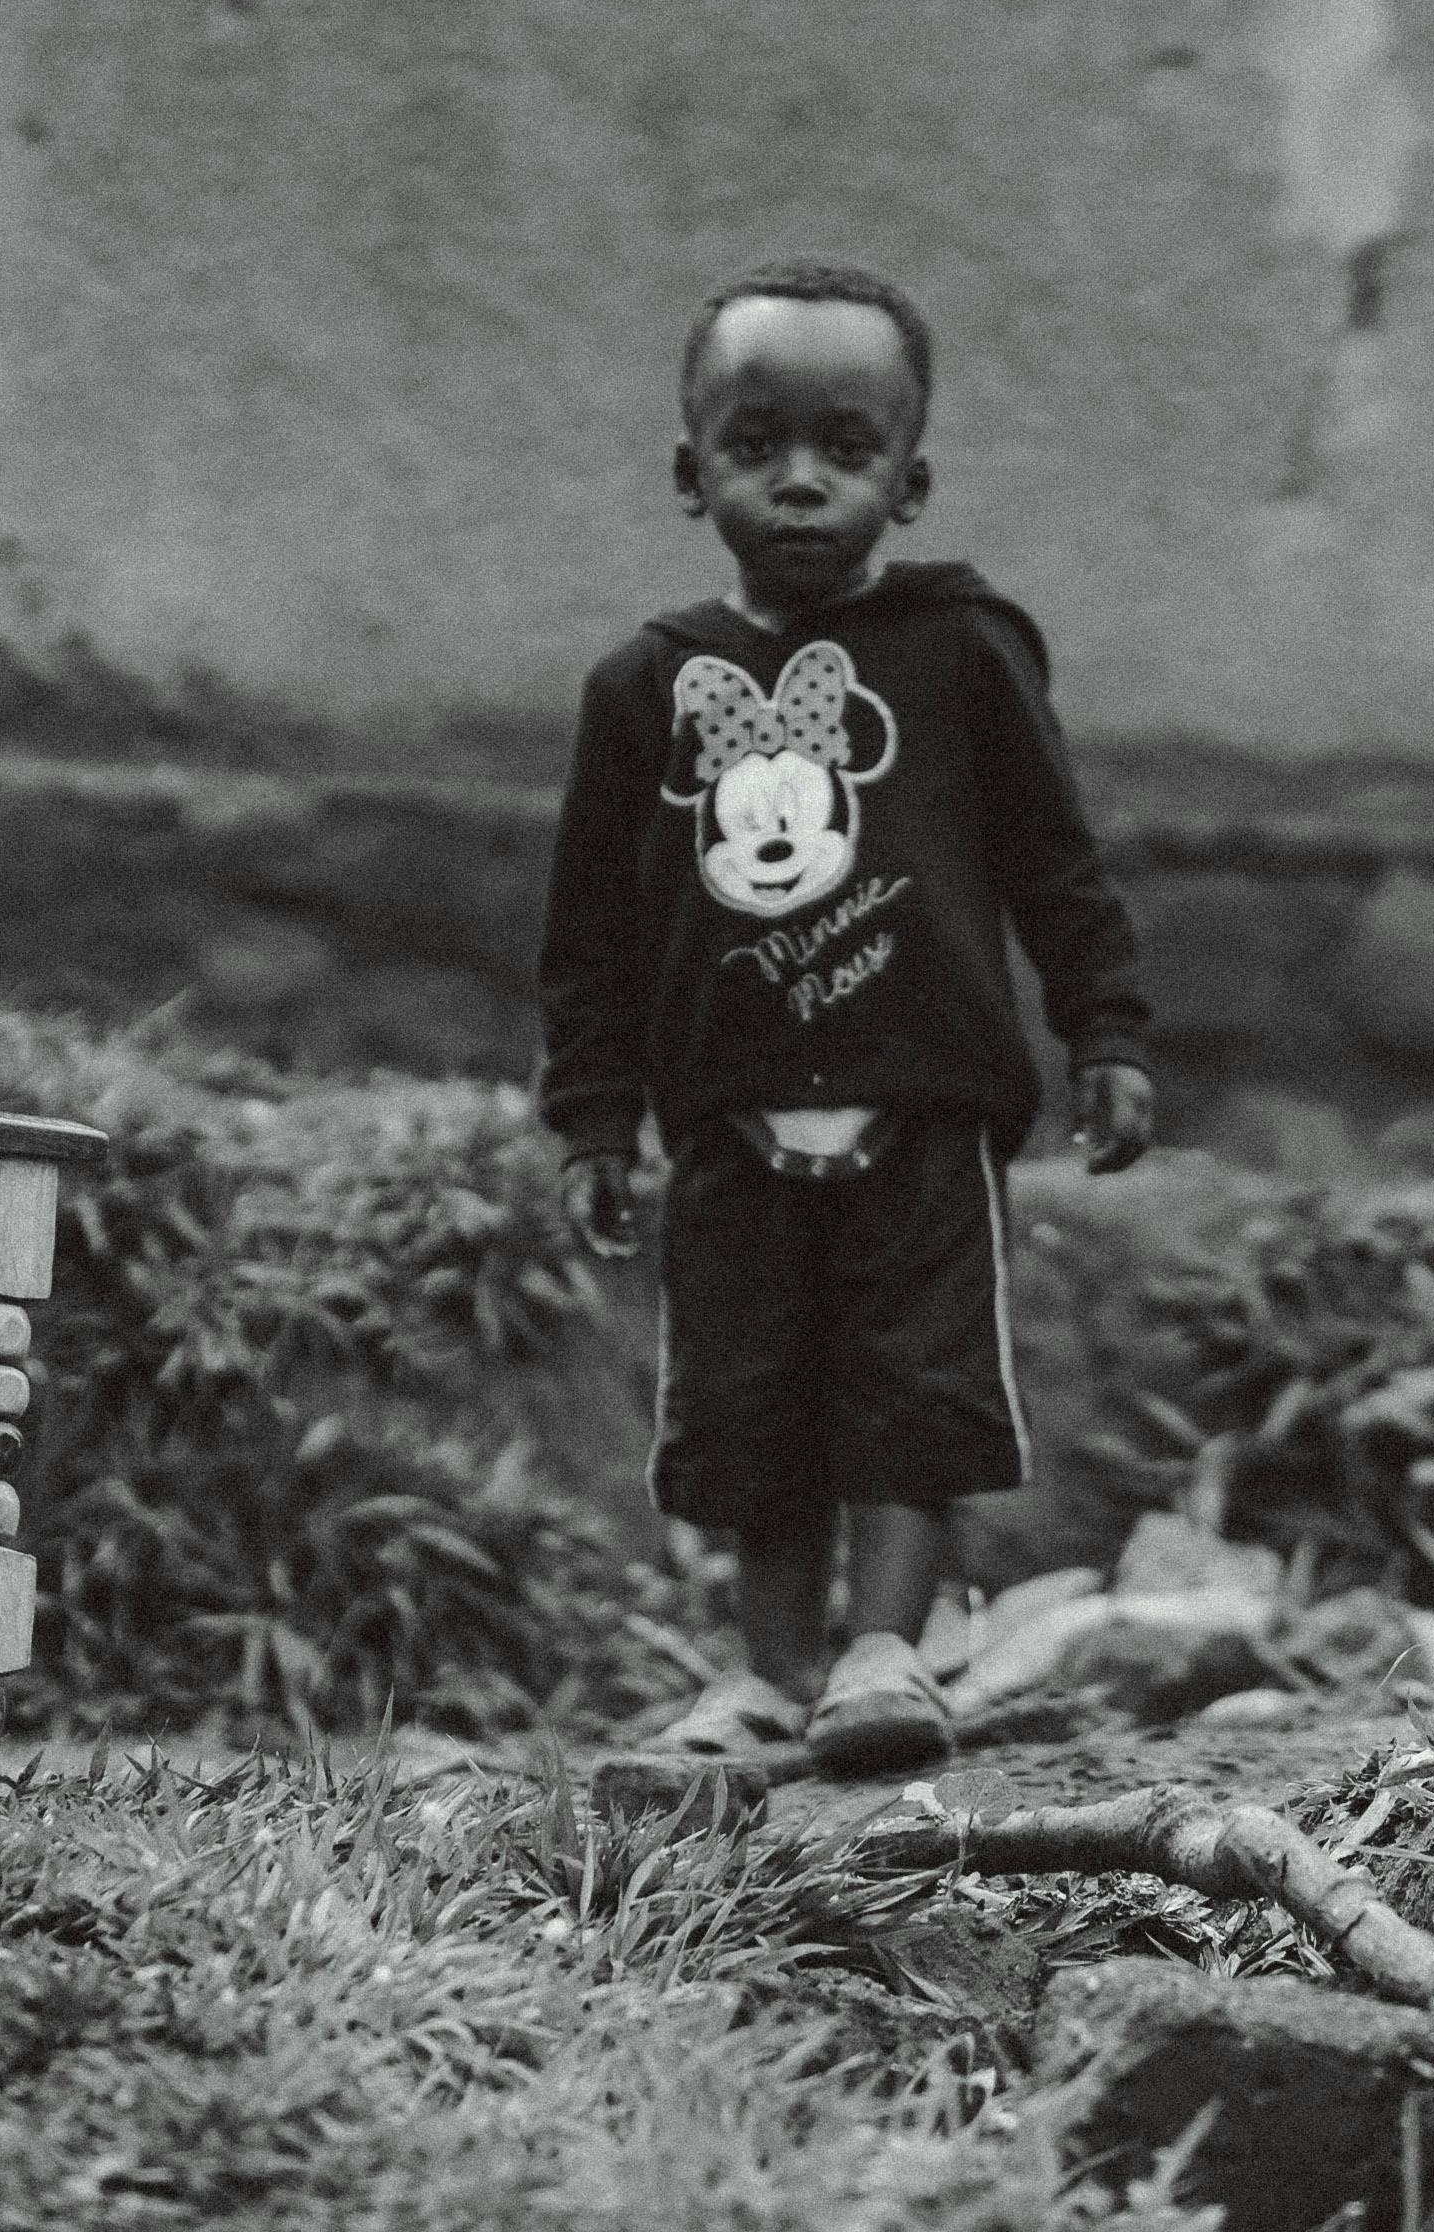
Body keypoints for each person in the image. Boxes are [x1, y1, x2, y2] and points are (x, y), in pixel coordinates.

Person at [540, 257, 1156, 1777]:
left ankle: (884, 1658)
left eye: (847, 450)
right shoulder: (646, 688)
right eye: (759, 449)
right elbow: (592, 931)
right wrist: (594, 1117)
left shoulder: (964, 655)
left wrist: (1109, 1031)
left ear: (912, 478)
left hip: (924, 1107)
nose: (802, 483)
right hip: (731, 1120)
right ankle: (766, 1675)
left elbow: (1051, 864)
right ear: (694, 476)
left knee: (913, 1387)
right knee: (751, 1401)